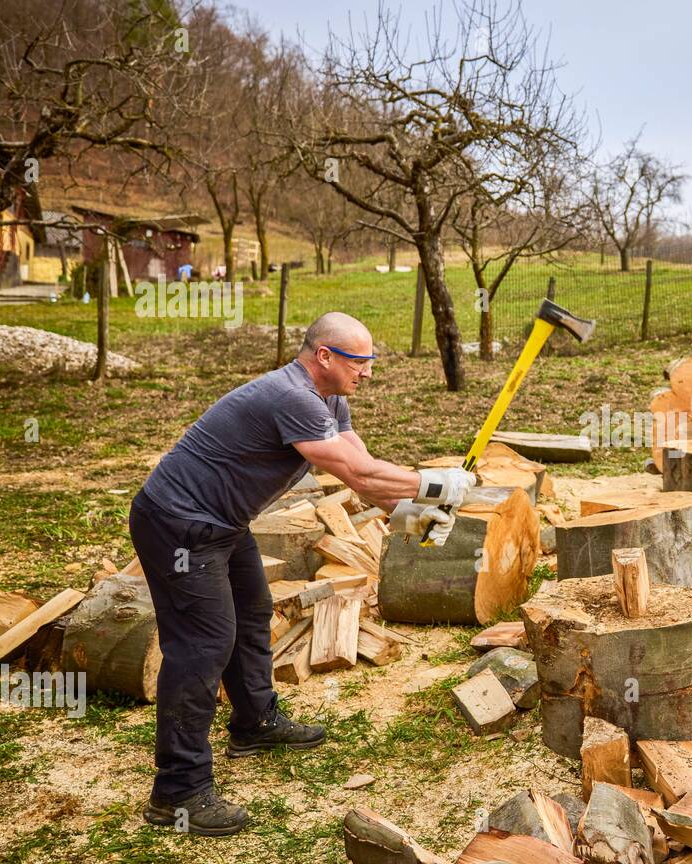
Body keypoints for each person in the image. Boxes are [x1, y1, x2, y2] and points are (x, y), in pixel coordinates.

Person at [129, 312, 474, 836]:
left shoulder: (330, 399)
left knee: (252, 614)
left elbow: (359, 466)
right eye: (361, 362)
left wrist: (411, 513)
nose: (369, 373)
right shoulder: (290, 395)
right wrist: (433, 481)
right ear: (325, 357)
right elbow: (358, 473)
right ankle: (178, 790)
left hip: (222, 522)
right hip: (180, 525)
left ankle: (254, 724)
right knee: (202, 645)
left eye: (372, 362)